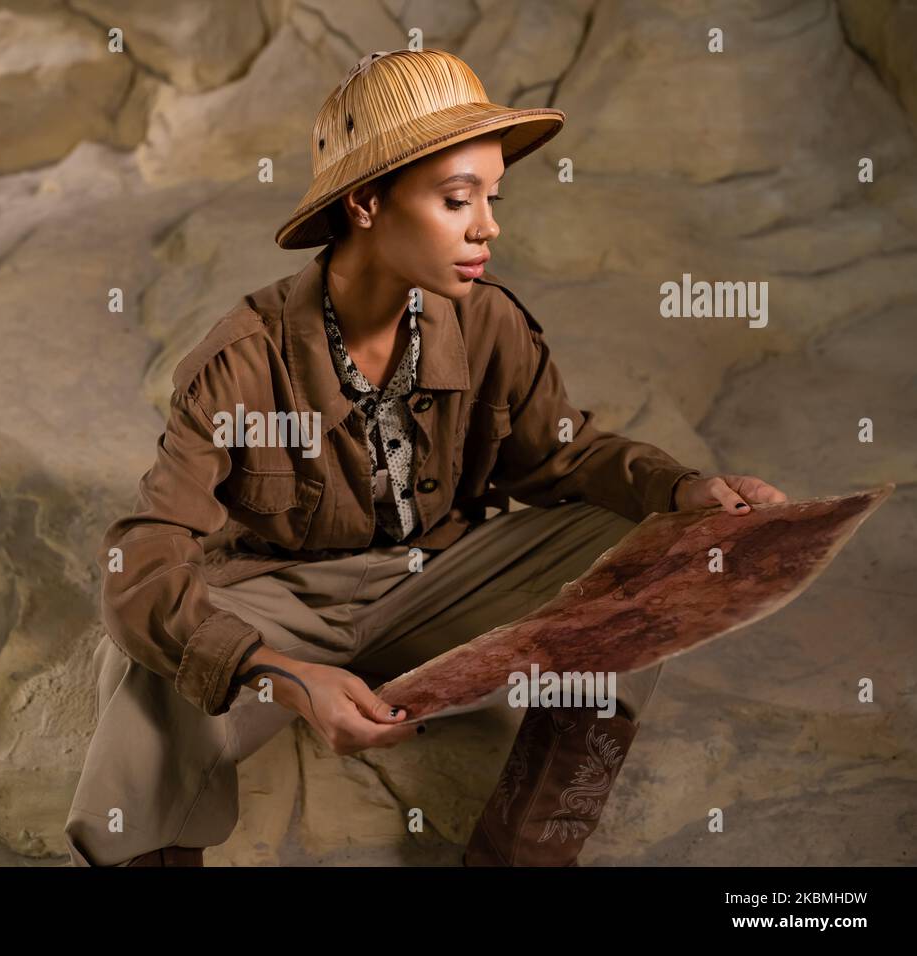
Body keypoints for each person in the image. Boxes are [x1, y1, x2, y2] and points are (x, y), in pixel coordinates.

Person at [64, 49, 786, 867]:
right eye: (456, 200)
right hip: (285, 600)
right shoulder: (241, 361)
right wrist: (288, 678)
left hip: (440, 580)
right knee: (144, 669)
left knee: (648, 552)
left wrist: (685, 491)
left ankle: (521, 857)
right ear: (367, 203)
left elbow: (563, 456)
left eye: (490, 197)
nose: (488, 226)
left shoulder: (488, 324)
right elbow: (140, 565)